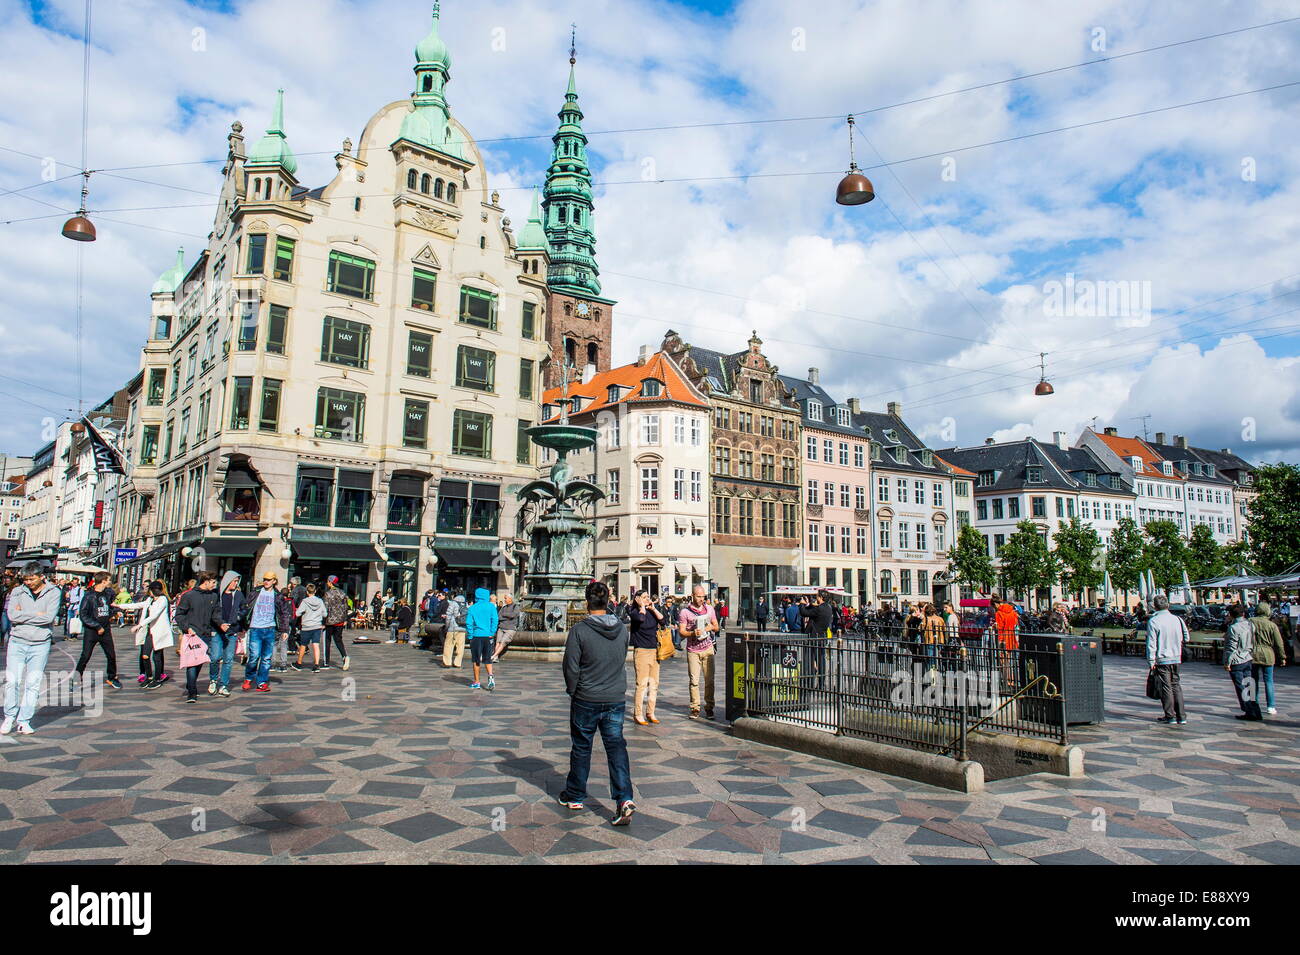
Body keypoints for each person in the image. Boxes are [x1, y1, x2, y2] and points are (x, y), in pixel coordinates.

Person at [558, 580, 635, 826]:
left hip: (586, 698)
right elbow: (621, 657)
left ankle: (575, 795)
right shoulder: (622, 630)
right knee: (616, 747)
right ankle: (624, 798)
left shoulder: (580, 630)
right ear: (609, 600)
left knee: (582, 747)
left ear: (586, 602)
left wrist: (574, 690)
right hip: (615, 698)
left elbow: (570, 666)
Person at [2, 563, 61, 735]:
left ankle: (24, 720)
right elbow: (12, 615)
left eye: (31, 579)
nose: (28, 582)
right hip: (17, 641)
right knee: (12, 680)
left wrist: (24, 615)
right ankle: (9, 716)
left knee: (33, 683)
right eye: (25, 579)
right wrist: (37, 615)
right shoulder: (17, 591)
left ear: (42, 576)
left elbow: (49, 617)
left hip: (40, 643)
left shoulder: (54, 592)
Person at [175, 572, 225, 703]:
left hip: (206, 633)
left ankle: (191, 683)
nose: (215, 584)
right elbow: (179, 614)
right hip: (192, 633)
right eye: (213, 582)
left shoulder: (214, 596)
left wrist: (222, 624)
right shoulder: (189, 595)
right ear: (206, 581)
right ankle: (192, 692)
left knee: (199, 662)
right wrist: (187, 627)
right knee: (192, 663)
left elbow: (216, 614)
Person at [679, 584, 720, 720]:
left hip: (707, 648)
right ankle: (695, 708)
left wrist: (708, 628)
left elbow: (716, 627)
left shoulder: (710, 609)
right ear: (693, 595)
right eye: (699, 596)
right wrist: (692, 632)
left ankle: (709, 707)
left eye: (703, 596)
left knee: (709, 680)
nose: (701, 599)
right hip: (693, 650)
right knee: (694, 681)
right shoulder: (685, 612)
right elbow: (682, 632)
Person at [1146, 594, 1189, 725]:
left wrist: (1151, 660)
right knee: (1176, 685)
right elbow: (1186, 637)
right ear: (1168, 605)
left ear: (1154, 606)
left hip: (1162, 658)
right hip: (1176, 657)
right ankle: (1181, 716)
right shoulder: (1177, 619)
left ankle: (1170, 715)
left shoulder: (1154, 621)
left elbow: (1151, 643)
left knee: (1166, 687)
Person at [75, 572, 121, 691]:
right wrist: (96, 626)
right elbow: (83, 615)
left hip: (105, 629)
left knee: (111, 655)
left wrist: (116, 611)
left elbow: (110, 606)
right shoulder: (89, 596)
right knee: (85, 655)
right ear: (103, 581)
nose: (110, 582)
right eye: (109, 580)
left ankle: (112, 677)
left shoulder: (108, 593)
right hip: (92, 631)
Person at [627, 589, 665, 725]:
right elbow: (640, 619)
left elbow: (663, 621)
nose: (648, 599)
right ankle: (638, 713)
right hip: (642, 651)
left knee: (654, 684)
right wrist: (642, 606)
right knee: (642, 684)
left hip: (655, 651)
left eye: (648, 596)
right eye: (644, 597)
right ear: (637, 599)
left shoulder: (651, 612)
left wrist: (653, 609)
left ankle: (651, 712)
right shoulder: (634, 612)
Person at [206, 571, 245, 695]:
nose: (236, 583)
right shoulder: (216, 594)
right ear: (228, 580)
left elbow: (245, 608)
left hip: (232, 630)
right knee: (215, 657)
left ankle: (223, 685)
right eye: (234, 581)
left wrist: (238, 618)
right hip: (217, 630)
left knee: (228, 659)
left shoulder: (238, 595)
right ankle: (213, 680)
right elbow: (210, 611)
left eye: (237, 581)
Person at [1249, 600, 1287, 716]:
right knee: (1268, 681)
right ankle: (1271, 706)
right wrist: (1282, 657)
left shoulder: (1250, 622)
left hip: (1252, 653)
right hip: (1268, 653)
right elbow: (1279, 643)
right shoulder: (1272, 625)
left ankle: (1253, 703)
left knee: (1252, 681)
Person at [1223, 603, 1261, 721]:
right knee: (1250, 685)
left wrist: (1227, 662)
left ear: (1231, 615)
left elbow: (1231, 648)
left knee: (1241, 686)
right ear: (1243, 613)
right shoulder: (1250, 625)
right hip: (1248, 657)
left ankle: (1249, 711)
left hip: (1237, 660)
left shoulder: (1233, 628)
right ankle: (1256, 710)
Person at [465, 587, 499, 690]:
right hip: (487, 636)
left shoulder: (472, 608)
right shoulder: (491, 607)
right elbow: (495, 620)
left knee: (476, 660)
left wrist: (470, 635)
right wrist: (492, 632)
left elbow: (468, 623)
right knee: (487, 658)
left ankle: (477, 682)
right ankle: (490, 676)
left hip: (476, 636)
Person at [294, 583, 327, 671]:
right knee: (316, 645)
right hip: (317, 626)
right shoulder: (320, 601)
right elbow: (325, 614)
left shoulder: (305, 601)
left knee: (303, 645)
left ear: (307, 592)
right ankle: (316, 665)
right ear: (315, 591)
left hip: (306, 626)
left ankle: (299, 663)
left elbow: (297, 613)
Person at [322, 576, 352, 671]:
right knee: (338, 640)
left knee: (328, 640)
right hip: (340, 621)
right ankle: (344, 656)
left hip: (330, 621)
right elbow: (346, 607)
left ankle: (326, 662)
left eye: (328, 581)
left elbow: (325, 608)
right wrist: (345, 619)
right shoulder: (342, 593)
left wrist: (323, 621)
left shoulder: (328, 594)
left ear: (330, 582)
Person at [441, 592, 465, 668]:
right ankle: (458, 663)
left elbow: (448, 616)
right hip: (462, 628)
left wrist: (447, 626)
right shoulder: (465, 604)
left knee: (449, 645)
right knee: (460, 646)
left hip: (453, 628)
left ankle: (447, 662)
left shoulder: (453, 603)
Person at [493, 593, 518, 661]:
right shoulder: (503, 607)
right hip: (501, 627)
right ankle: (495, 657)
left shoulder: (515, 606)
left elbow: (513, 615)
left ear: (510, 599)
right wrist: (507, 617)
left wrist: (504, 615)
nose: (504, 600)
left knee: (502, 642)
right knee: (497, 642)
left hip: (510, 628)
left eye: (505, 598)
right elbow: (499, 616)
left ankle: (493, 656)